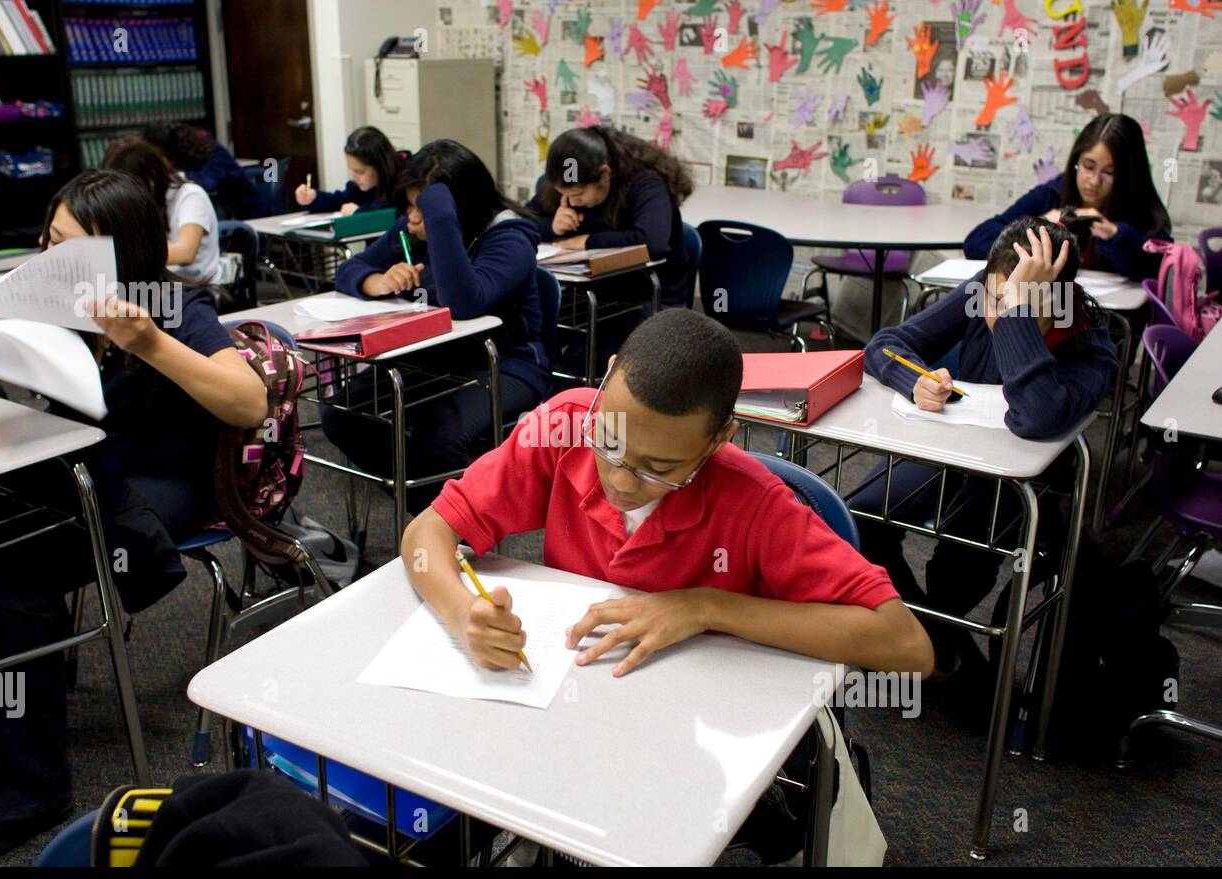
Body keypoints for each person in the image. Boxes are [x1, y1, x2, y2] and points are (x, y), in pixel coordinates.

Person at [0, 169, 265, 860]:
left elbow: (248, 402)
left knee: (9, 576)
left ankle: (27, 790)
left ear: (120, 255)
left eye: (70, 251)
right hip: (81, 481)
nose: (50, 262)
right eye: (48, 241)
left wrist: (147, 344)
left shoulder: (172, 306)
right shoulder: (43, 304)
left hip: (161, 486)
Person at [400, 308, 933, 678]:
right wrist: (459, 612)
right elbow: (428, 531)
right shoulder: (565, 426)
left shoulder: (755, 505)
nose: (621, 481)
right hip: (571, 691)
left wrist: (704, 607)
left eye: (660, 469)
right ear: (606, 379)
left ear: (719, 439)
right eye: (608, 443)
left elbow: (906, 646)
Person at [857, 217, 1118, 684]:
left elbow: (1034, 417)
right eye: (996, 299)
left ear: (1058, 300)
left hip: (1025, 481)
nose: (996, 313)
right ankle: (932, 642)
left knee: (955, 567)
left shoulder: (1091, 343)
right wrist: (913, 378)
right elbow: (887, 343)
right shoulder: (987, 287)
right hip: (955, 447)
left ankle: (932, 643)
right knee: (860, 517)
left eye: (1017, 303)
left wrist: (1017, 316)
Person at [320, 139, 550, 515]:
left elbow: (464, 303)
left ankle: (451, 525)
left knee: (441, 438)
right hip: (434, 359)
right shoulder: (414, 228)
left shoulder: (510, 236)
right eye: (410, 205)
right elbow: (349, 269)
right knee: (343, 415)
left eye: (422, 206)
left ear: (455, 208)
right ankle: (431, 509)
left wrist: (440, 219)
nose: (411, 217)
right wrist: (375, 280)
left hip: (507, 364)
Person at [964, 114, 1171, 281]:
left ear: (1128, 176)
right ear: (1076, 161)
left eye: (1109, 172)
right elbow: (976, 242)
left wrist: (1116, 235)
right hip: (1048, 314)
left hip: (1113, 323)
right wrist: (1038, 226)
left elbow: (1163, 269)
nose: (1094, 181)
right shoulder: (1052, 194)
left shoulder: (1139, 209)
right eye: (1088, 166)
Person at [528, 126, 693, 309]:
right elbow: (521, 222)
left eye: (579, 194)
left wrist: (589, 241)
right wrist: (552, 227)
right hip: (589, 295)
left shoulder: (646, 184)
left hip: (647, 298)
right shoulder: (566, 181)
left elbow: (653, 242)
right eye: (564, 194)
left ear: (604, 175)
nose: (573, 202)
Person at [103, 136, 221, 285]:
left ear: (152, 175)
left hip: (194, 288)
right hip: (159, 286)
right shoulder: (142, 201)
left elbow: (186, 252)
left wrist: (128, 256)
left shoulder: (190, 195)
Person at [142, 121, 267, 219]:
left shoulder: (213, 152)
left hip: (248, 210)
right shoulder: (185, 153)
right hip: (226, 209)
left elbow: (208, 183)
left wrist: (174, 175)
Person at [294, 126, 402, 215]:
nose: (354, 178)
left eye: (360, 172)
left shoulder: (404, 183)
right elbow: (338, 201)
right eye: (352, 170)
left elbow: (395, 215)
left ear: (380, 166)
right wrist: (313, 198)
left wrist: (359, 212)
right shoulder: (359, 188)